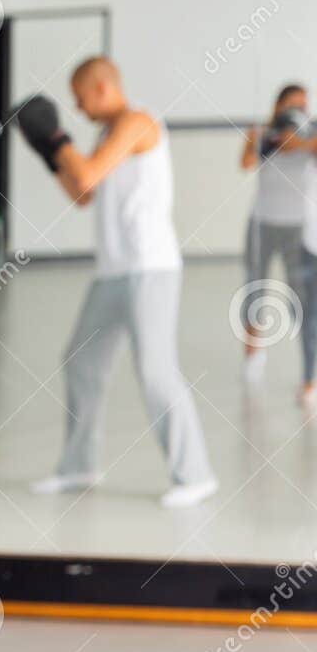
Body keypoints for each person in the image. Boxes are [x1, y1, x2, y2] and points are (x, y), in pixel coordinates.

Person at [14, 57, 216, 508]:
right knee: (80, 362)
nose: (77, 107)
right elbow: (82, 193)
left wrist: (58, 138)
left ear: (102, 87)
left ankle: (196, 474)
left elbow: (85, 172)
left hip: (150, 267)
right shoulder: (104, 135)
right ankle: (79, 465)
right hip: (113, 270)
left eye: (80, 97)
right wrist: (50, 155)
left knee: (155, 369)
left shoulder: (138, 123)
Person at [237, 84, 309, 391]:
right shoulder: (262, 133)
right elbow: (245, 162)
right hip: (262, 223)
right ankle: (253, 356)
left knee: (302, 295)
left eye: (304, 105)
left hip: (298, 226)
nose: (298, 111)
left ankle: (309, 367)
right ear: (277, 105)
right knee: (255, 287)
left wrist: (298, 141)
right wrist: (268, 137)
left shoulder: (310, 135)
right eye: (292, 104)